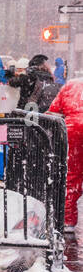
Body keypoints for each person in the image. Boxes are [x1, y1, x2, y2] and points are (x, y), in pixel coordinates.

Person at [48, 76, 83, 232]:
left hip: (73, 131)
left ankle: (68, 220)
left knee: (72, 175)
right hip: (74, 128)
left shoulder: (70, 85)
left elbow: (53, 112)